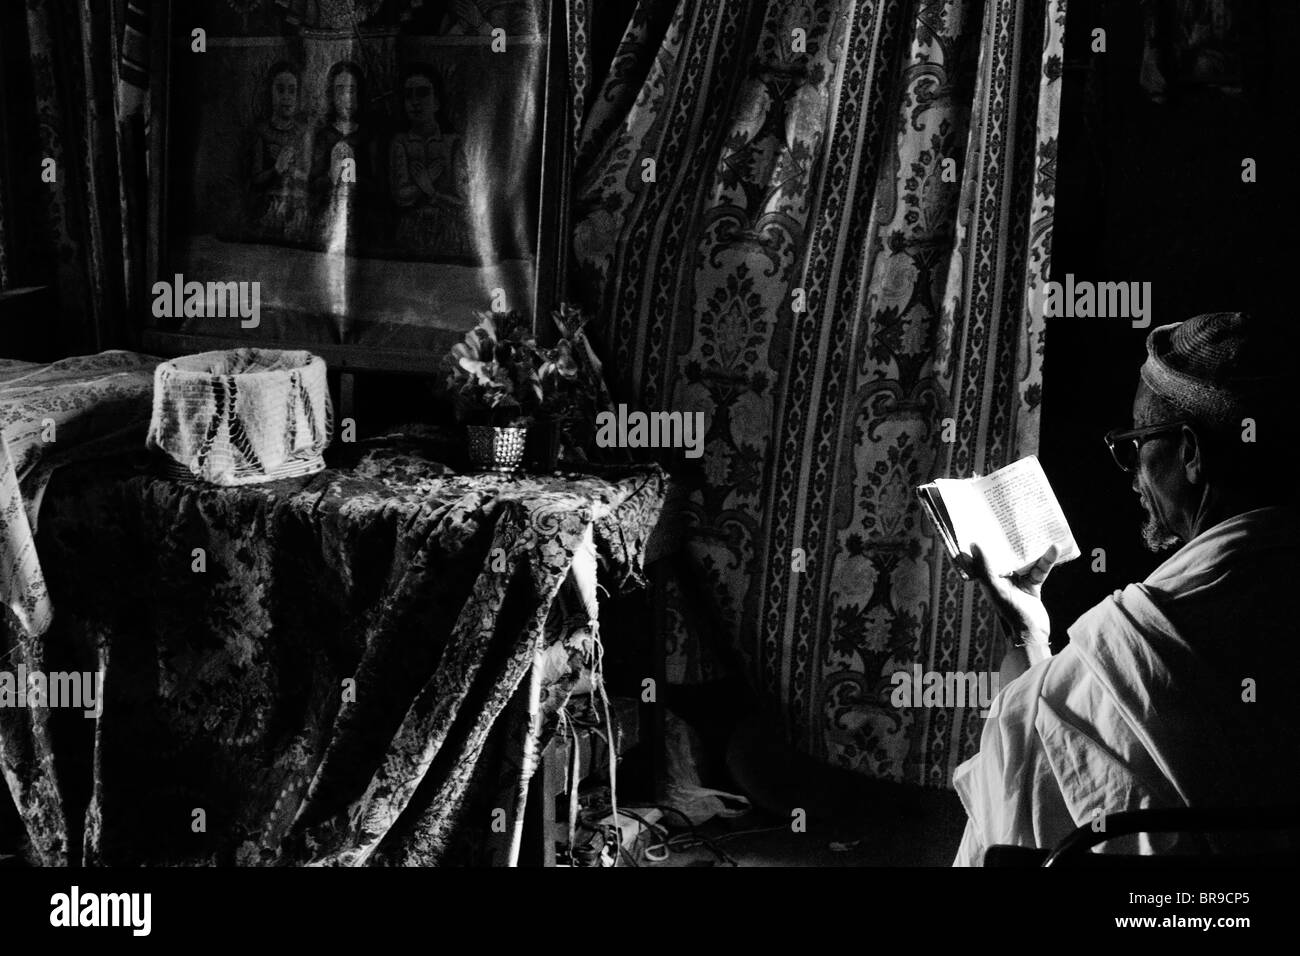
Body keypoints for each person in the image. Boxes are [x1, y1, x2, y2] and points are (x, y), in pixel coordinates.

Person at [952, 311, 1297, 865]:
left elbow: (1015, 783)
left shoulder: (1142, 634)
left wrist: (1024, 637)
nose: (1133, 472)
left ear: (1190, 453)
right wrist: (1030, 628)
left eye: (1137, 443)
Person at [388, 63, 471, 257]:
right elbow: (401, 195)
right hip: (410, 233)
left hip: (449, 232)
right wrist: (425, 184)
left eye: (423, 93)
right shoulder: (400, 143)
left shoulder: (453, 144)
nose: (415, 102)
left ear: (437, 102)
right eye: (409, 95)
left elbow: (463, 200)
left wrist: (429, 190)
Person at [247, 60, 310, 243]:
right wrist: (276, 169)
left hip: (298, 211)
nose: (286, 97)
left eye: (292, 91)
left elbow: (307, 176)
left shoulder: (303, 133)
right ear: (270, 93)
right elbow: (255, 180)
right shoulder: (262, 132)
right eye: (280, 90)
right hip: (269, 210)